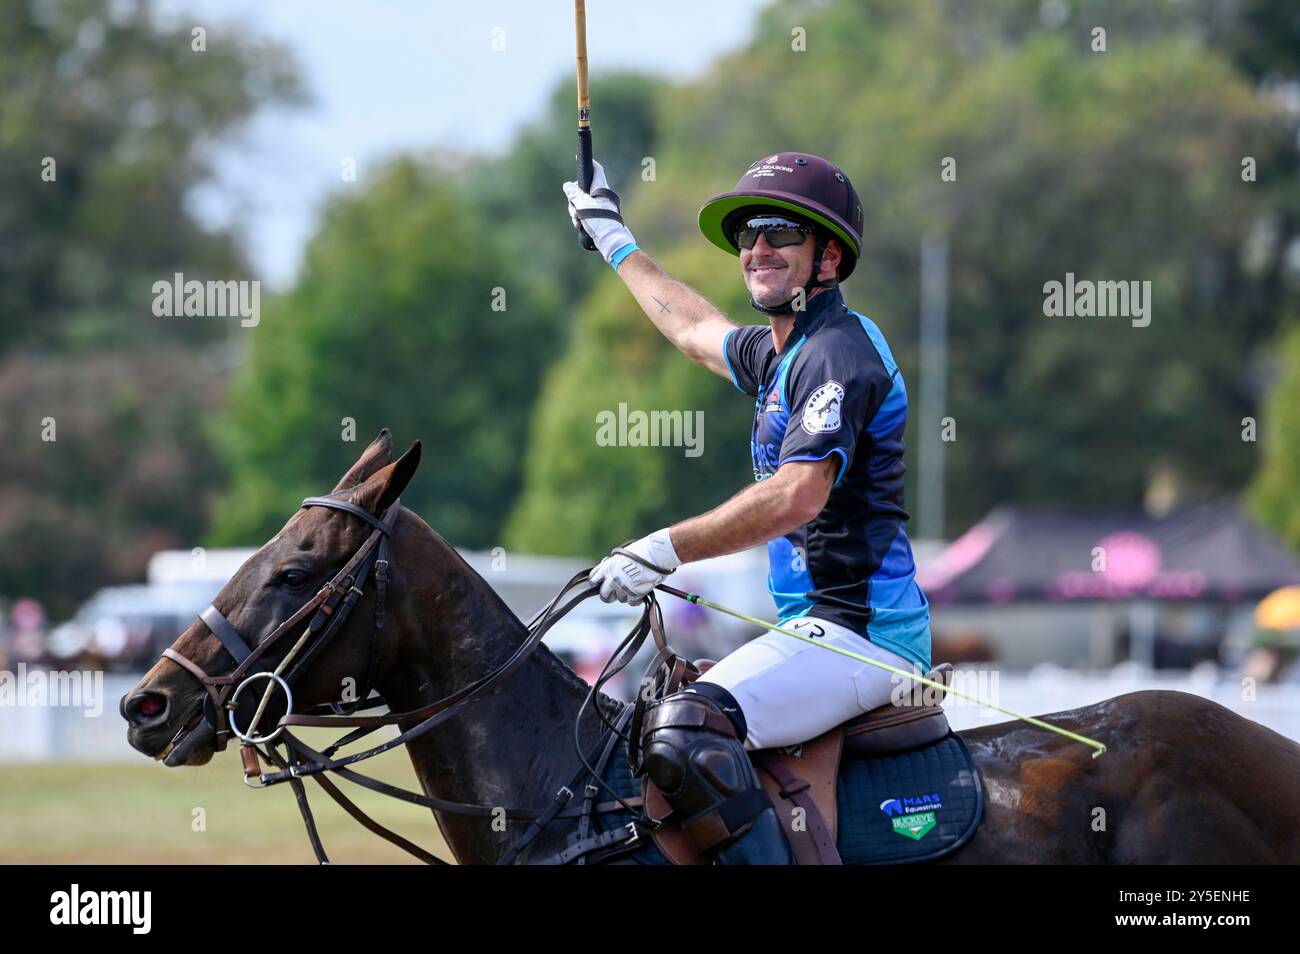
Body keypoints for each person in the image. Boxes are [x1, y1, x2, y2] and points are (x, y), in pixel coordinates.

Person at [563, 151, 932, 864]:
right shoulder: (782, 352)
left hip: (865, 635)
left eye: (777, 234)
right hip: (814, 629)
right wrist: (613, 237)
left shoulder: (838, 354)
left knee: (686, 730)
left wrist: (662, 548)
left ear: (828, 257)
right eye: (746, 236)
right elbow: (692, 329)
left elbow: (799, 494)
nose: (756, 249)